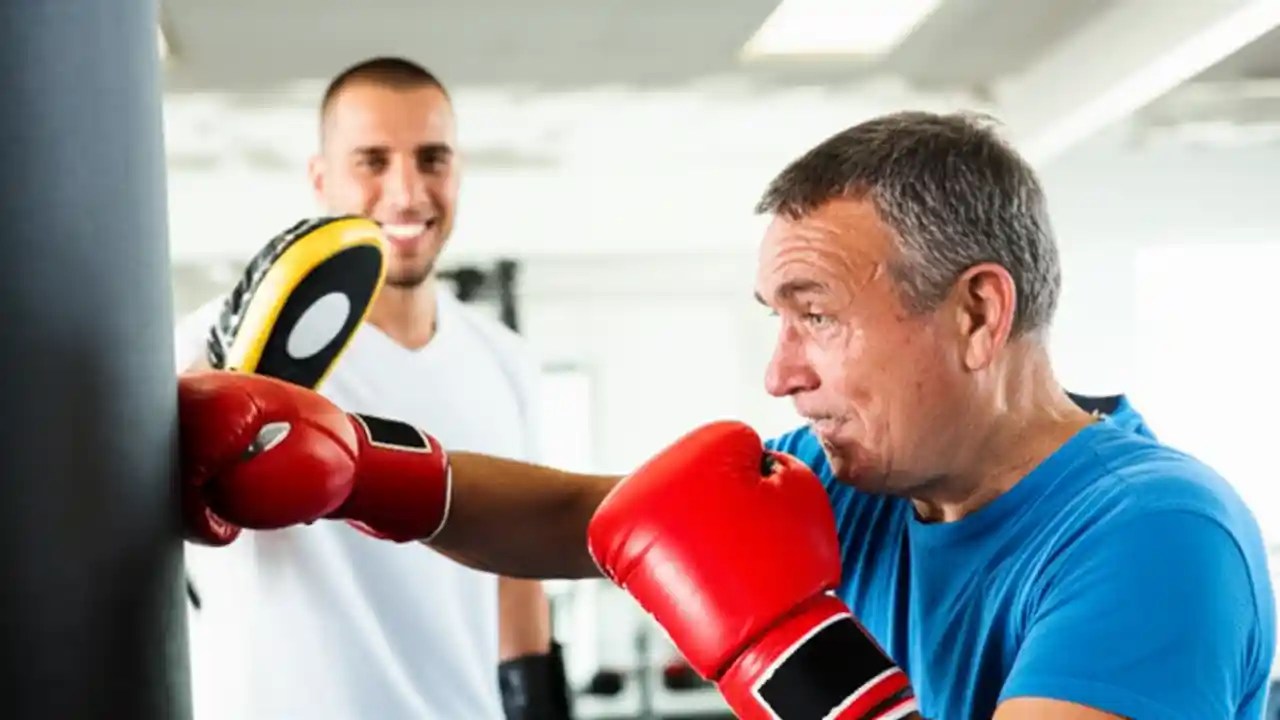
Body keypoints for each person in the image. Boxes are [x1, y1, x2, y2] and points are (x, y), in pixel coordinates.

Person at [177, 111, 1276, 719]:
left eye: (816, 317)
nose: (780, 374)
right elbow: (592, 521)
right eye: (774, 318)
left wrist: (787, 652)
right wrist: (363, 470)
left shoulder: (1154, 537)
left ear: (977, 312)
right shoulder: (863, 484)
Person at [175, 57, 568, 720]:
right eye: (373, 161)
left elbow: (517, 580)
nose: (408, 192)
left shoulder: (507, 362)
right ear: (321, 179)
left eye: (433, 159)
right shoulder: (215, 344)